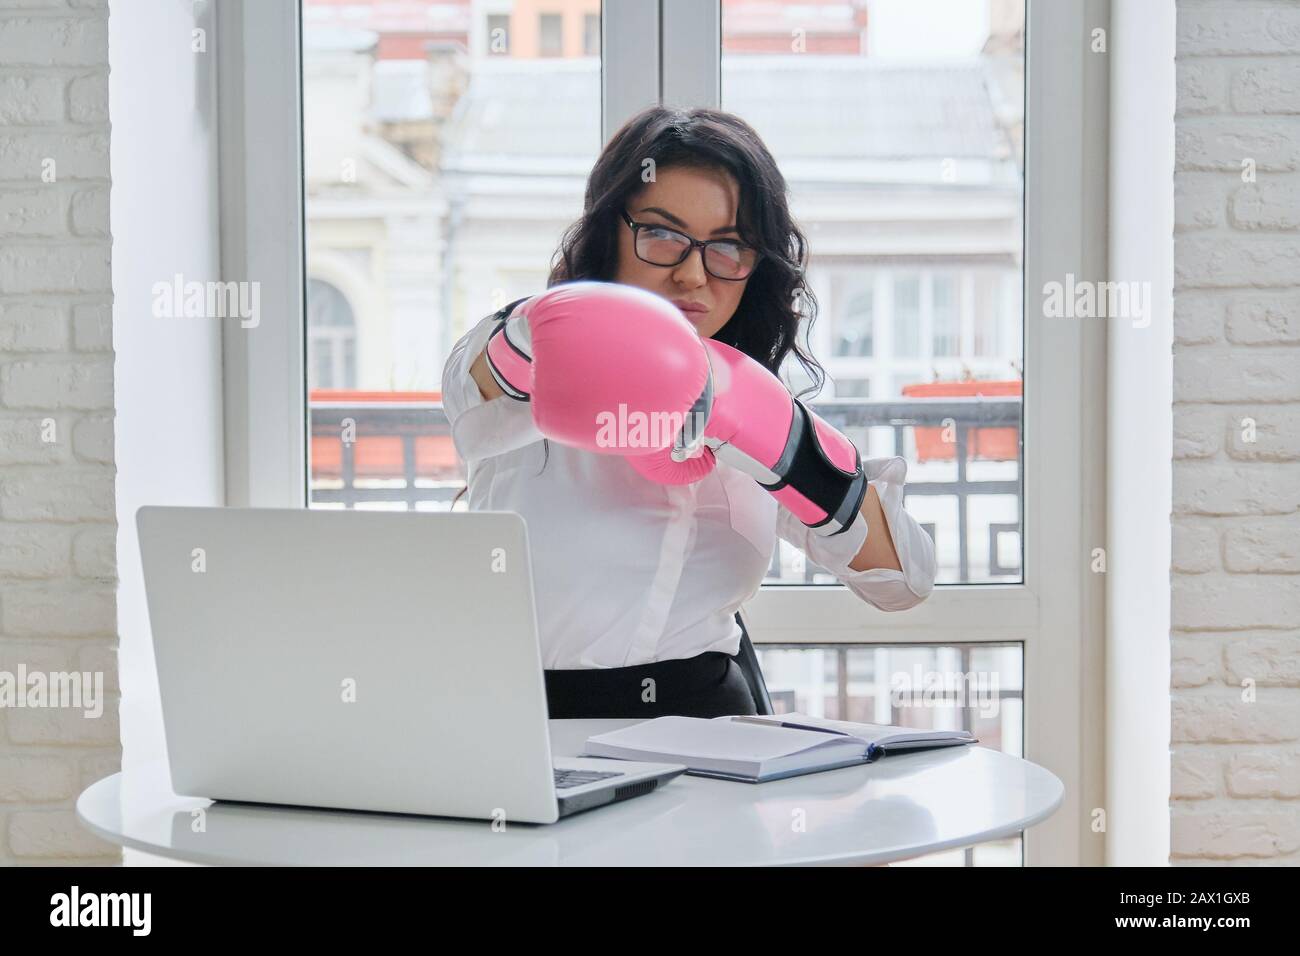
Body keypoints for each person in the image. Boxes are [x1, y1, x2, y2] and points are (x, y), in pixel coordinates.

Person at [442, 105, 937, 719]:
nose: (693, 274)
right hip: (527, 730)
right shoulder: (531, 359)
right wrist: (560, 331)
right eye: (662, 234)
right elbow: (472, 384)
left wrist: (782, 442)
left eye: (728, 246)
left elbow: (903, 580)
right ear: (608, 236)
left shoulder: (749, 401)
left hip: (709, 737)